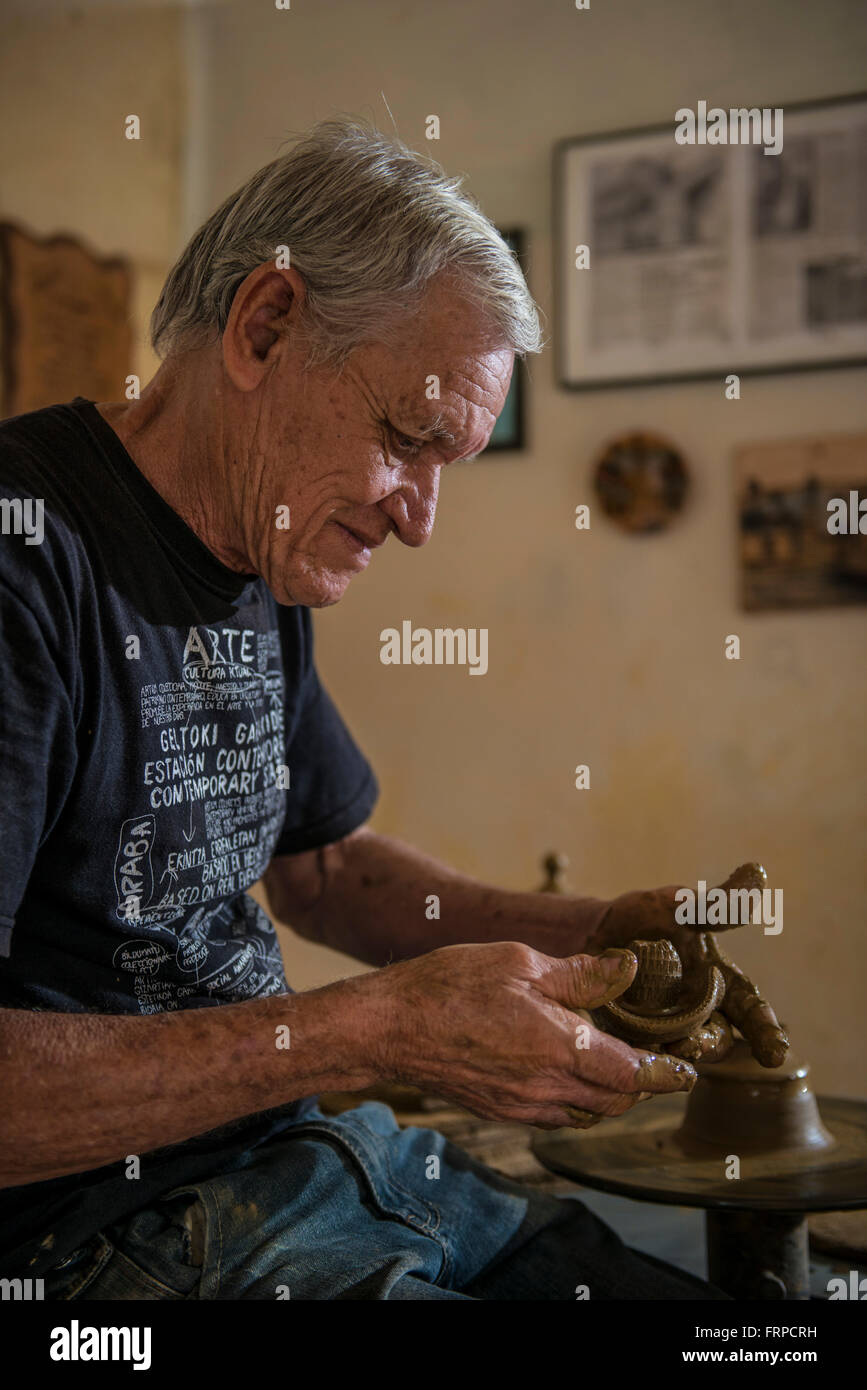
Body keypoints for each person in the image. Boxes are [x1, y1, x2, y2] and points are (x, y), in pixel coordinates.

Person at [0, 119, 786, 1300]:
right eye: (405, 441)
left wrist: (600, 938)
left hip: (300, 1162)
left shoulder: (261, 546)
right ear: (267, 326)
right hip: (93, 1241)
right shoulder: (27, 563)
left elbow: (323, 869)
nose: (420, 520)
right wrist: (373, 1029)